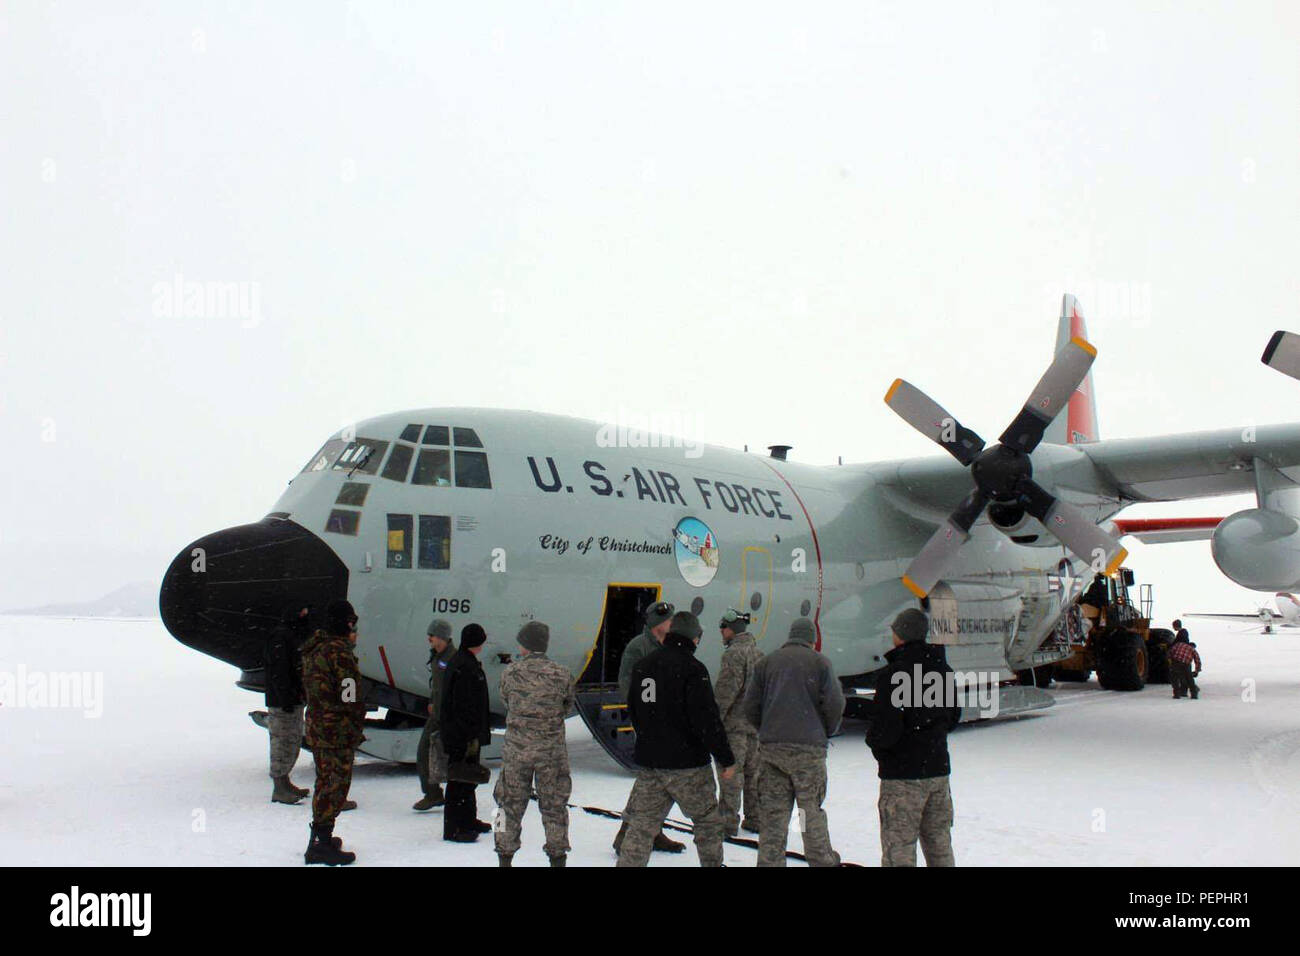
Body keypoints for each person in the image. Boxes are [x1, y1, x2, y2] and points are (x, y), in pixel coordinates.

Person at [617, 611, 735, 868]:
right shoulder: (694, 670)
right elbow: (707, 721)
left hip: (651, 763)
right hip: (688, 765)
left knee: (641, 827)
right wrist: (726, 758)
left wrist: (650, 739)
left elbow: (635, 709)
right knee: (707, 824)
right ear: (694, 638)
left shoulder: (644, 666)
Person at [742, 617, 844, 867]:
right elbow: (835, 704)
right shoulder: (821, 663)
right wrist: (823, 731)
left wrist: (767, 729)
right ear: (812, 640)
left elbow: (750, 706)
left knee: (773, 818)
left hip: (772, 753)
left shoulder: (766, 663)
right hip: (808, 755)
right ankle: (820, 860)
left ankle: (770, 862)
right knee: (809, 816)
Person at [866, 608, 961, 867]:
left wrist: (879, 748)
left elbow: (886, 729)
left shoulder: (892, 675)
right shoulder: (943, 671)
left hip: (902, 776)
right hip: (937, 771)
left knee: (899, 851)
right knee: (940, 845)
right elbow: (953, 716)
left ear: (901, 635)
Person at [494, 621, 575, 867]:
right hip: (551, 753)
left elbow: (506, 700)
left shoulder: (510, 673)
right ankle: (558, 858)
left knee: (506, 805)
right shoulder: (562, 674)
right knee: (555, 807)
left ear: (524, 645)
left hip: (516, 752)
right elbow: (567, 706)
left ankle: (503, 857)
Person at [612, 600, 685, 854]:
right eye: (668, 620)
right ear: (657, 624)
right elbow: (627, 681)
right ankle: (628, 833)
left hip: (668, 722)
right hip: (649, 722)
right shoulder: (639, 647)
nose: (672, 623)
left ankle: (652, 830)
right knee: (652, 779)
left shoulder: (671, 644)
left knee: (659, 780)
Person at [301, 599, 366, 865]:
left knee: (324, 781)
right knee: (335, 785)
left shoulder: (315, 648)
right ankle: (321, 843)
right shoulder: (339, 652)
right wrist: (356, 719)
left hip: (318, 727)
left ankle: (320, 837)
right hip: (336, 731)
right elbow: (350, 694)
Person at [713, 608, 764, 836]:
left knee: (731, 775)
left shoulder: (734, 654)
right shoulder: (759, 654)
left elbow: (726, 693)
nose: (721, 633)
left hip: (734, 728)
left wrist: (714, 721)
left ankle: (727, 822)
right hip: (754, 728)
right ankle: (755, 818)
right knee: (754, 775)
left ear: (730, 629)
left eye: (722, 628)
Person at [442, 622, 493, 842]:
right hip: (463, 734)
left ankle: (467, 819)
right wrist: (470, 734)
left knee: (468, 777)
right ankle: (454, 827)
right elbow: (463, 705)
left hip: (463, 732)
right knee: (458, 780)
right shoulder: (466, 667)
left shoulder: (462, 661)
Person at [265, 604, 312, 804]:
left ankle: (284, 782)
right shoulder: (281, 637)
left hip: (291, 699)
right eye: (302, 612)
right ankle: (280, 787)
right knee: (283, 741)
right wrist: (285, 698)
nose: (305, 616)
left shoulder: (288, 635)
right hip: (284, 701)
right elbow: (280, 671)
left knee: (291, 740)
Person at [413, 619, 456, 811]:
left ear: (442, 637)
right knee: (423, 752)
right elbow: (437, 685)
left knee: (453, 759)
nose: (429, 639)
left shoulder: (453, 658)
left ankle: (453, 797)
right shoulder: (438, 657)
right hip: (436, 716)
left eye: (432, 635)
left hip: (448, 717)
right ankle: (432, 794)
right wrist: (432, 701)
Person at [1168, 620, 1202, 700]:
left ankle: (1177, 694)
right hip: (1186, 663)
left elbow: (1171, 651)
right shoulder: (1192, 649)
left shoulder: (1179, 643)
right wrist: (1197, 671)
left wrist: (1169, 660)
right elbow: (1197, 660)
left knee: (1175, 678)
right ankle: (1194, 694)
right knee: (1189, 678)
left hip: (1176, 661)